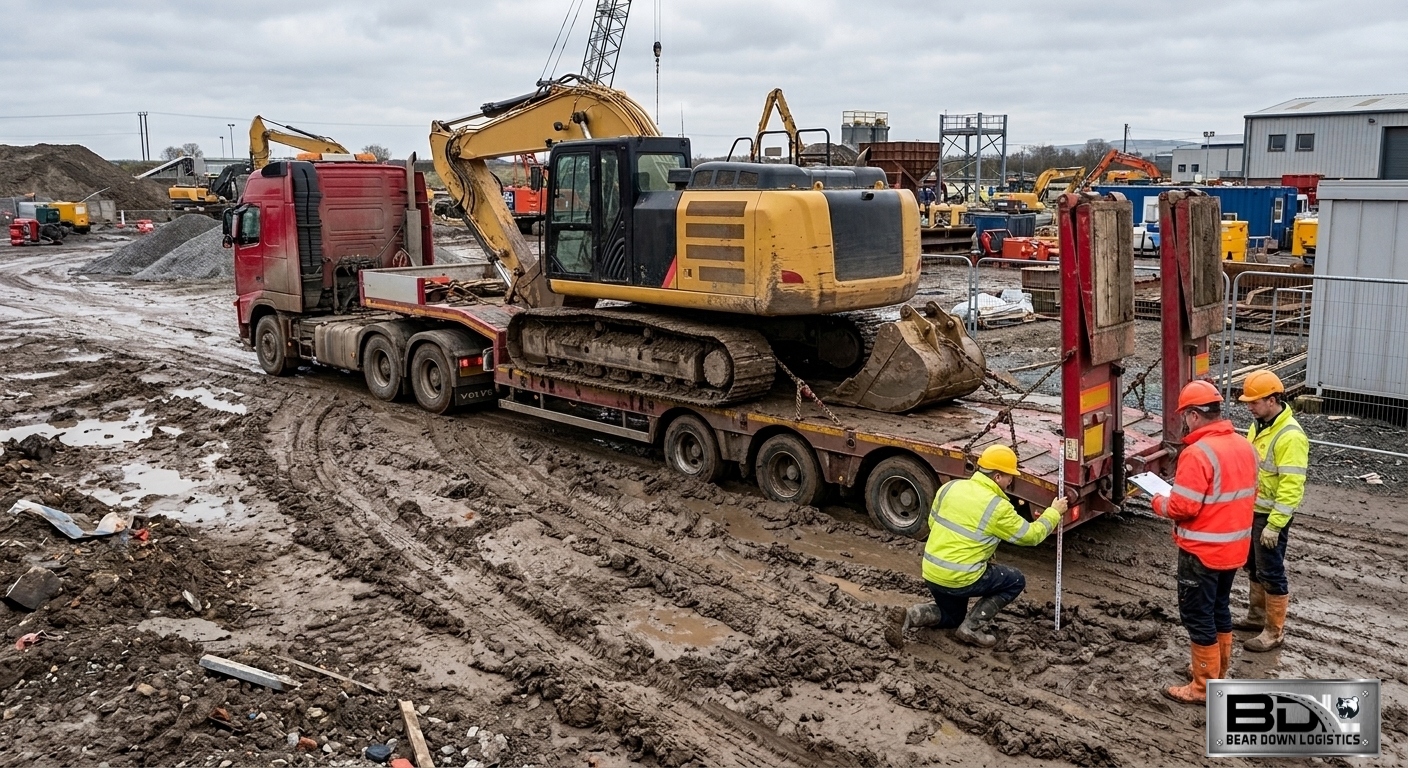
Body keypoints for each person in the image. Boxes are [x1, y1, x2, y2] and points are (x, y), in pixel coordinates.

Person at [891, 444, 1068, 649]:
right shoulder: (997, 507)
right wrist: (1054, 512)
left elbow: (933, 523)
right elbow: (1031, 536)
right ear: (997, 477)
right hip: (961, 577)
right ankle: (972, 628)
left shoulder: (950, 488)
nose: (1011, 481)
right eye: (1010, 476)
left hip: (932, 572)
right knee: (1014, 580)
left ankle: (910, 616)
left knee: (951, 616)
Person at [1152, 380, 1258, 704]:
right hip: (1234, 549)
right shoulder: (1243, 445)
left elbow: (1183, 506)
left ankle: (1203, 687)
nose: (1184, 421)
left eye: (1185, 415)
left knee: (1197, 616)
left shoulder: (1197, 454)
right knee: (1219, 609)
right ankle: (1217, 672)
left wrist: (1158, 501)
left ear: (1195, 415)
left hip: (1202, 552)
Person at [1234, 370, 1308, 653]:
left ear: (1273, 399)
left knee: (1271, 571)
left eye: (1254, 401)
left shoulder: (1290, 436)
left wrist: (1275, 524)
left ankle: (1274, 632)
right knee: (1253, 566)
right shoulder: (1260, 426)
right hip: (1254, 511)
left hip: (1270, 516)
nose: (1249, 406)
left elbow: (1292, 486)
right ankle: (1256, 618)